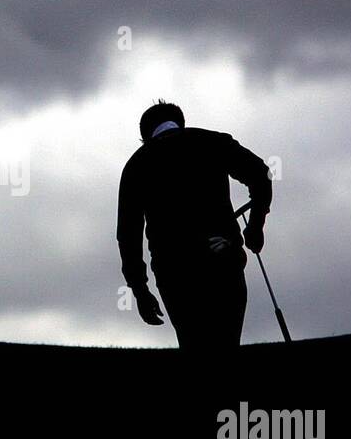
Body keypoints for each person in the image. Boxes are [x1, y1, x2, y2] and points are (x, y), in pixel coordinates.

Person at [116, 100, 273, 349]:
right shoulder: (214, 142)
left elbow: (128, 235)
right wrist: (255, 227)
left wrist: (140, 290)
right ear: (181, 123)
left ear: (145, 136)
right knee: (228, 343)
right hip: (223, 256)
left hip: (175, 271)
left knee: (193, 347)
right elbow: (261, 174)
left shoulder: (136, 165)